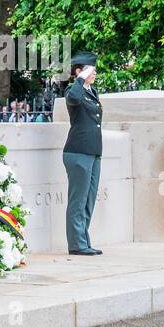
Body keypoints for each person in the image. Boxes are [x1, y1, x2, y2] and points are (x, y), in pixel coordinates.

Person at [63, 51, 103, 256]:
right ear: (79, 71)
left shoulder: (91, 92)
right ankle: (76, 244)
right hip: (78, 152)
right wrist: (79, 78)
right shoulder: (74, 90)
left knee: (88, 200)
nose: (94, 72)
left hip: (93, 152)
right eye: (89, 69)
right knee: (78, 200)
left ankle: (83, 240)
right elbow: (73, 100)